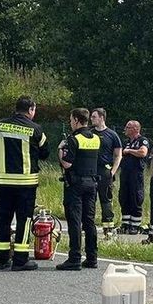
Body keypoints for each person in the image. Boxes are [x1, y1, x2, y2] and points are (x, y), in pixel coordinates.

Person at [0, 95, 49, 271]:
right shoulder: (36, 129)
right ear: (30, 110)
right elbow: (45, 153)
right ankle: (20, 259)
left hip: (3, 183)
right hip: (26, 185)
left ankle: (2, 259)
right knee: (24, 220)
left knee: (3, 220)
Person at [56, 108, 102, 271]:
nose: (70, 122)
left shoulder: (73, 139)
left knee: (75, 221)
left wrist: (60, 151)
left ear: (76, 120)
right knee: (89, 221)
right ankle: (92, 258)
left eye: (70, 120)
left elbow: (67, 164)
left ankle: (74, 258)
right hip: (92, 184)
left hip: (75, 185)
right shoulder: (96, 138)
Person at [91, 108, 122, 237]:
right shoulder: (89, 133)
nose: (91, 119)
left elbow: (118, 155)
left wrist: (112, 172)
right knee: (89, 200)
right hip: (90, 171)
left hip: (105, 171)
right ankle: (88, 227)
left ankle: (108, 229)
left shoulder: (112, 135)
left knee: (106, 200)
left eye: (94, 117)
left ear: (102, 118)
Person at [116, 121, 149, 234]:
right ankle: (125, 224)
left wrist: (129, 151)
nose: (125, 129)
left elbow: (143, 152)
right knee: (124, 198)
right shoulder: (125, 142)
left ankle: (135, 225)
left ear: (135, 129)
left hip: (136, 174)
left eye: (128, 127)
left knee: (136, 198)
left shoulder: (142, 140)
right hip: (125, 173)